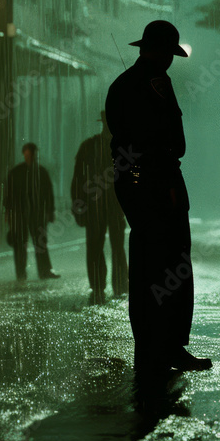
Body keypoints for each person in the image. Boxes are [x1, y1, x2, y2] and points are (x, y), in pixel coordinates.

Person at [105, 20, 211, 374]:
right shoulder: (156, 83)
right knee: (173, 264)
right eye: (170, 54)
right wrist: (166, 182)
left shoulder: (121, 84)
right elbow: (164, 141)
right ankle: (168, 346)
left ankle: (149, 348)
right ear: (162, 52)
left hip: (132, 179)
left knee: (147, 265)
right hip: (157, 180)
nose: (170, 61)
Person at [71, 111, 128, 304]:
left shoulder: (90, 147)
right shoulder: (122, 147)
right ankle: (113, 286)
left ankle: (101, 287)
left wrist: (78, 205)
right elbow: (78, 178)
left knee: (102, 246)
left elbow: (78, 179)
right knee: (111, 246)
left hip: (103, 206)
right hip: (110, 205)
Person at [4, 142, 60, 281]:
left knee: (38, 243)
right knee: (22, 245)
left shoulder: (37, 172)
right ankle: (24, 273)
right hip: (22, 214)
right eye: (28, 154)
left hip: (34, 214)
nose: (29, 157)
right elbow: (9, 194)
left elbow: (48, 194)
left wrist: (50, 211)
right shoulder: (22, 172)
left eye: (31, 154)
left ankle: (42, 271)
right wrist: (8, 212)